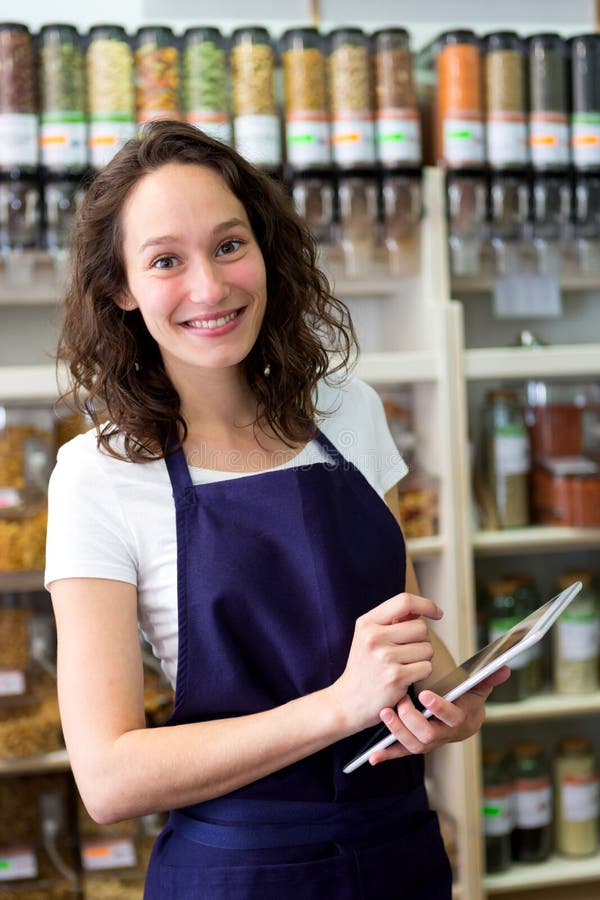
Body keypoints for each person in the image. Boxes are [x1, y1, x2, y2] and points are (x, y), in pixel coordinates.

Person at [45, 120, 508, 899]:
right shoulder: (96, 475)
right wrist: (335, 710)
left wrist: (452, 701)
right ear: (120, 289)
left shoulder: (348, 411)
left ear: (265, 248)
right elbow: (110, 778)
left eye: (229, 245)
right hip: (237, 873)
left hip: (401, 853)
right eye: (166, 261)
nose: (211, 288)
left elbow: (411, 645)